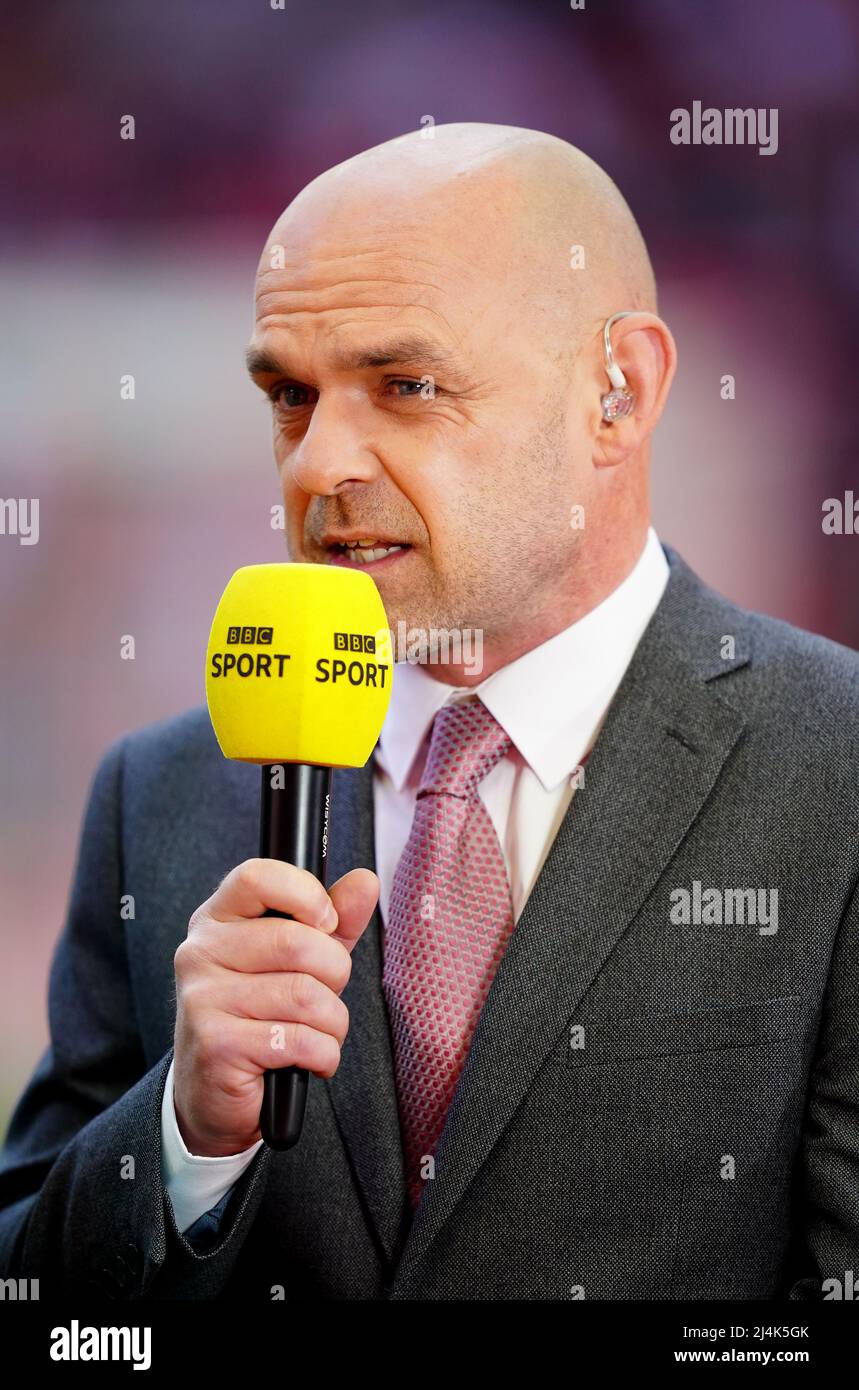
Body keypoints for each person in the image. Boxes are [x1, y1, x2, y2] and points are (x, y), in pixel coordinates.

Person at [0, 123, 856, 1300]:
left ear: (621, 392)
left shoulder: (837, 768)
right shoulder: (160, 795)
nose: (315, 464)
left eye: (406, 385)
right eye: (290, 396)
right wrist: (184, 1142)